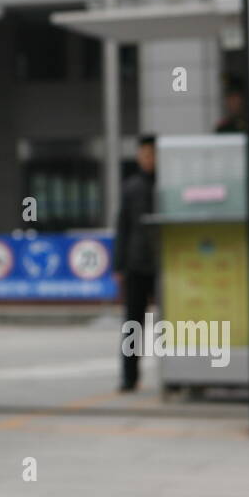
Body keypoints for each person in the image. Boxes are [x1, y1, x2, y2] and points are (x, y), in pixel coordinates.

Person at [112, 134, 158, 392]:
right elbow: (122, 227)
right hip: (136, 263)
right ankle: (129, 377)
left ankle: (175, 374)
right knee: (132, 323)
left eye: (152, 154)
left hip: (164, 263)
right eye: (144, 155)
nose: (148, 159)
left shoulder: (167, 184)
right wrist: (119, 266)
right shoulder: (131, 187)